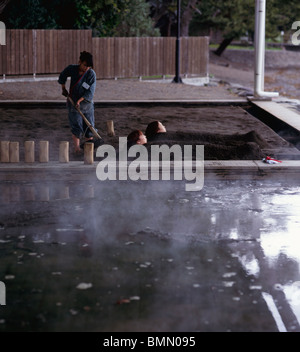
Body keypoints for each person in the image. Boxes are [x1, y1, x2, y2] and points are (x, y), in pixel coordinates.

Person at [58, 51, 97, 155]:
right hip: (73, 102)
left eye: (88, 66)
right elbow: (63, 75)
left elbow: (90, 91)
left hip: (86, 104)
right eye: (84, 65)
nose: (86, 68)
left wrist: (80, 101)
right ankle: (77, 149)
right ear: (79, 61)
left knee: (89, 126)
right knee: (76, 125)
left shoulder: (91, 74)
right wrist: (63, 88)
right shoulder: (72, 69)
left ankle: (89, 149)